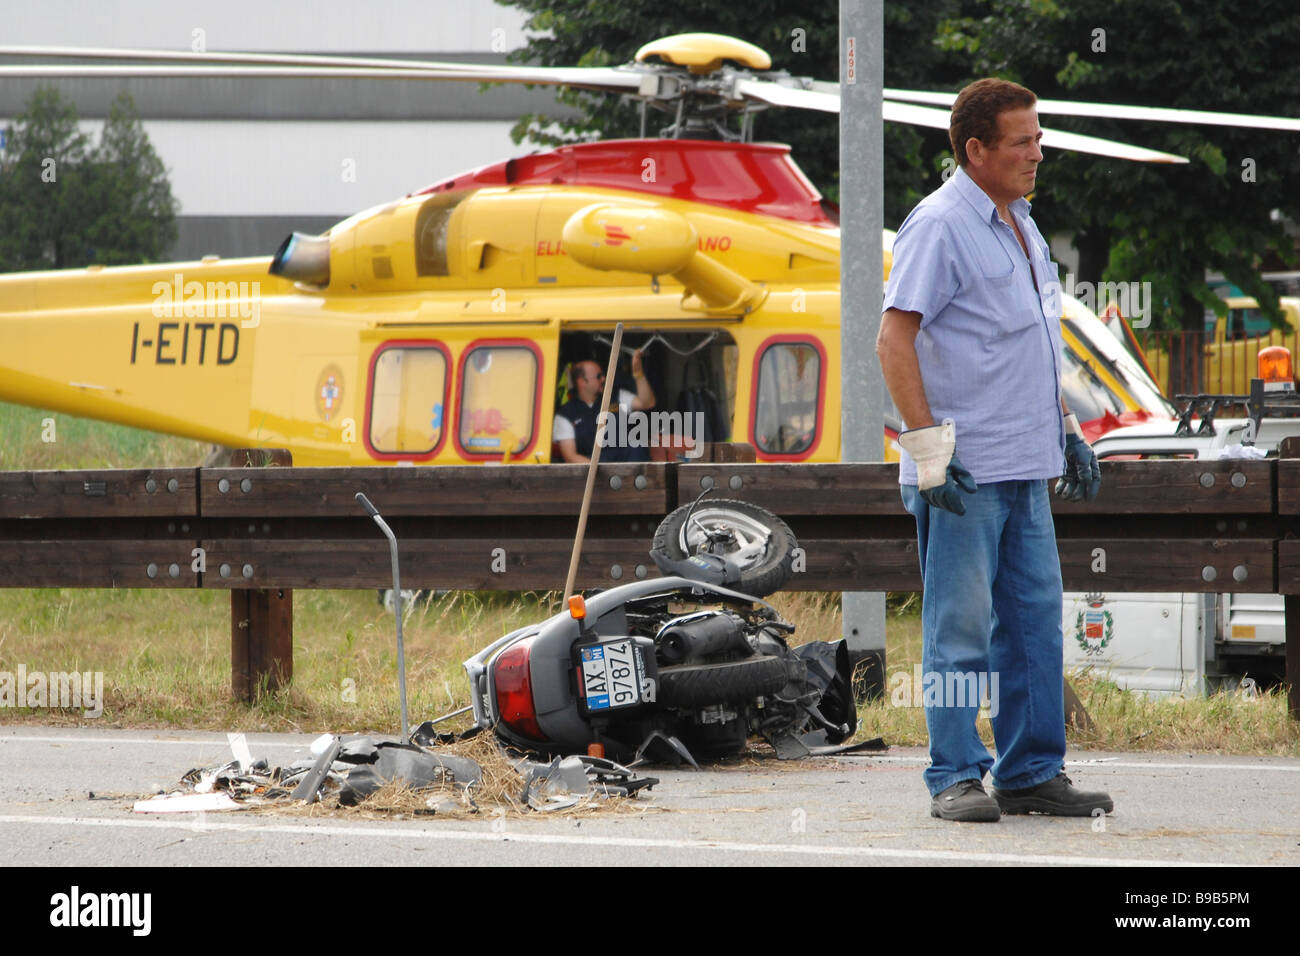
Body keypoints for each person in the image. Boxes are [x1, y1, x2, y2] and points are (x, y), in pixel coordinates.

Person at [876, 77, 1109, 823]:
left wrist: (1069, 430)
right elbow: (893, 338)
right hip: (965, 474)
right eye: (1023, 141)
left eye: (1038, 138)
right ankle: (952, 775)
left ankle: (1032, 771)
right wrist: (928, 453)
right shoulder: (939, 224)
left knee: (1035, 628)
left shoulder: (1024, 222)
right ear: (976, 149)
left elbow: (1035, 340)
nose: (1038, 152)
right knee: (960, 632)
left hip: (1027, 463)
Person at [553, 349, 656, 463]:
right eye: (598, 376)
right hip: (592, 469)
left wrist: (638, 374)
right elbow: (571, 457)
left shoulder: (617, 396)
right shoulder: (565, 414)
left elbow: (647, 403)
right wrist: (603, 473)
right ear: (582, 382)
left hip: (626, 465)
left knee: (637, 445)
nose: (604, 379)